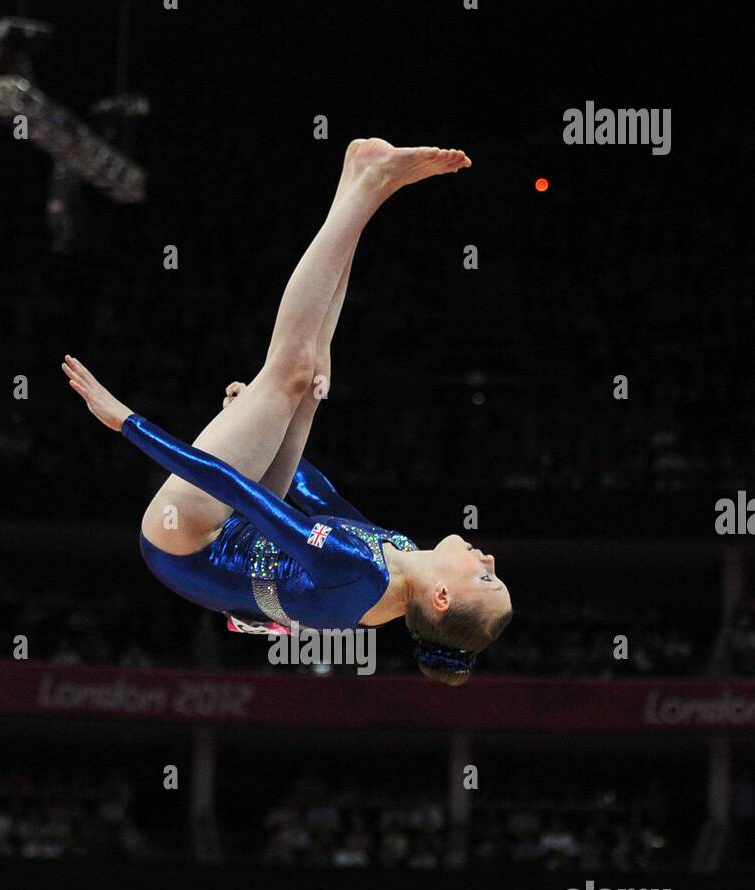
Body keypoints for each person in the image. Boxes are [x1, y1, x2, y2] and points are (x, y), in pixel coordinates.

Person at [63, 139, 512, 685]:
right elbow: (321, 501)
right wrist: (256, 427)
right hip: (246, 532)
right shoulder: (398, 555)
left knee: (291, 373)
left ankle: (370, 186)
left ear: (441, 597)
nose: (489, 561)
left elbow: (234, 488)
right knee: (314, 380)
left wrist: (126, 422)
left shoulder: (359, 578)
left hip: (186, 543)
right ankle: (356, 183)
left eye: (486, 580)